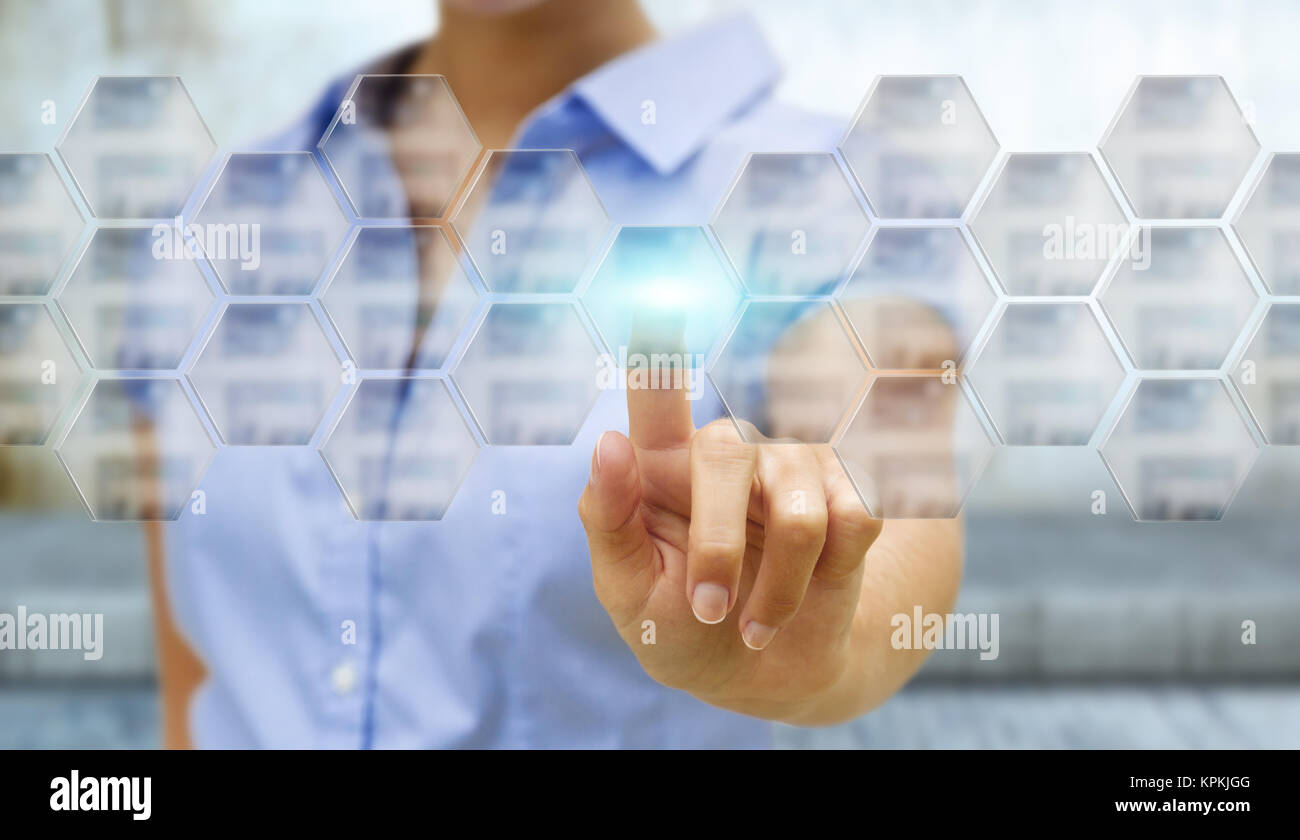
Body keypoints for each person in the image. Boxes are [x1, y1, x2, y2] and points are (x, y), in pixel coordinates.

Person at [146, 0, 963, 748]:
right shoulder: (219, 215)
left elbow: (894, 503)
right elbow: (196, 677)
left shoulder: (829, 191)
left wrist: (820, 635)